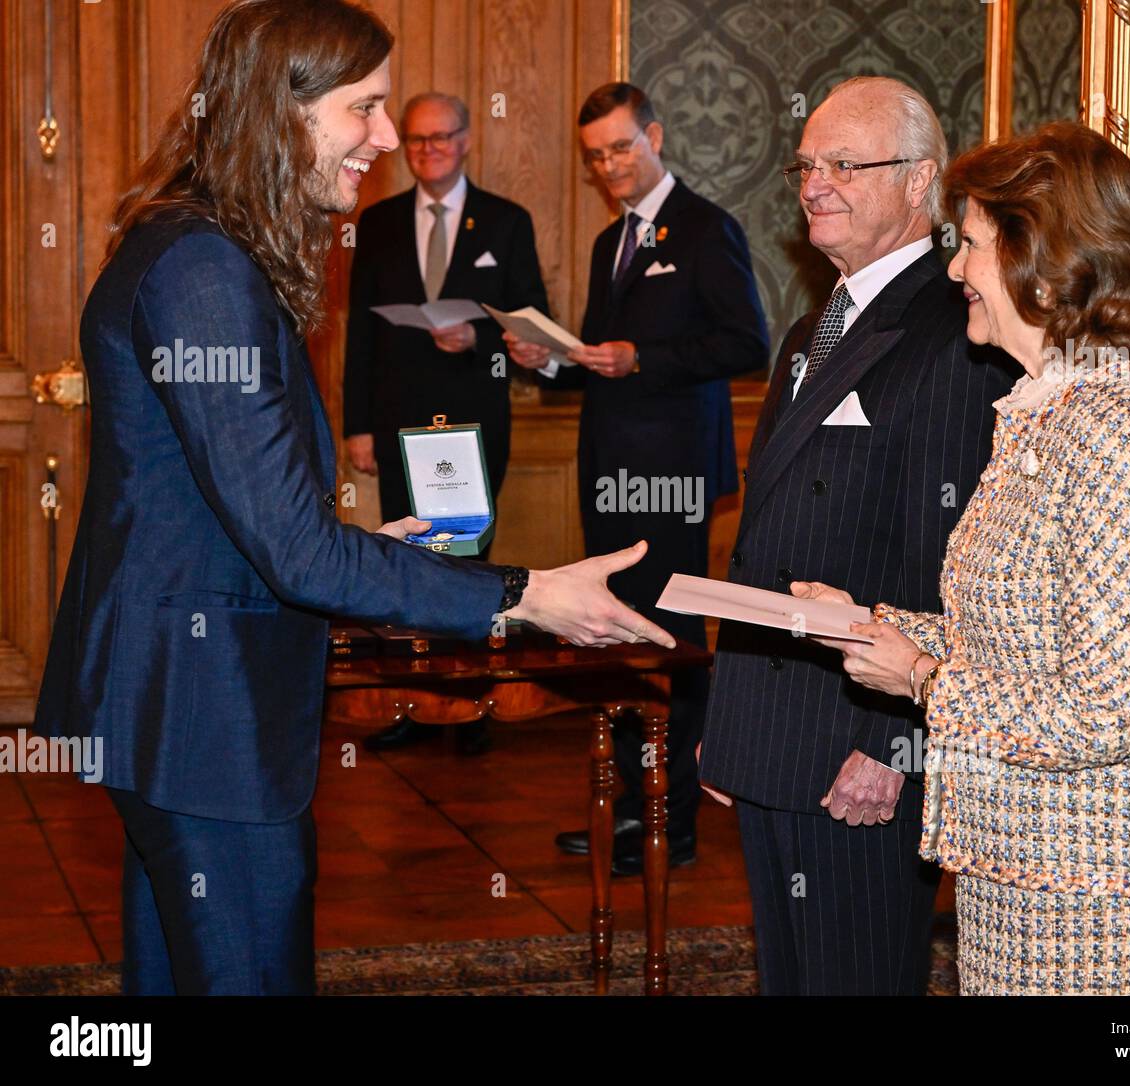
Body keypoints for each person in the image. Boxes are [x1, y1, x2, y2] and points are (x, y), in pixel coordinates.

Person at [31, 0, 672, 997]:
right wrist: (525, 590)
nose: (384, 140)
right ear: (278, 112)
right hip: (205, 716)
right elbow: (290, 552)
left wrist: (376, 549)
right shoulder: (205, 270)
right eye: (363, 110)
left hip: (173, 701)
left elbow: (235, 512)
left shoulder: (192, 244)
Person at [811, 121, 1130, 994]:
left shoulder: (1118, 435)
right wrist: (872, 624)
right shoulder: (1040, 411)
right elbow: (1011, 639)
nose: (955, 270)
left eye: (976, 246)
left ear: (1040, 258)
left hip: (1091, 885)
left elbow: (1101, 711)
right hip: (1012, 865)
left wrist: (919, 677)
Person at [696, 77, 1015, 995]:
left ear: (920, 182)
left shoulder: (959, 333)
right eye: (807, 165)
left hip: (858, 743)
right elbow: (764, 540)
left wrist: (889, 744)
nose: (814, 184)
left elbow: (948, 560)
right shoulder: (808, 331)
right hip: (776, 728)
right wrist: (735, 722)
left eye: (844, 164)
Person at [508, 82, 769, 876]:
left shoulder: (705, 227)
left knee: (671, 642)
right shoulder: (608, 242)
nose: (611, 164)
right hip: (608, 473)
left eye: (622, 146)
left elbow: (746, 344)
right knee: (615, 635)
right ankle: (632, 806)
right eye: (596, 155)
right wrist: (549, 360)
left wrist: (644, 357)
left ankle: (674, 819)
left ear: (654, 135)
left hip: (674, 481)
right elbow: (600, 365)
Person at [344, 91, 549, 756]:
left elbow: (531, 328)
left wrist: (481, 341)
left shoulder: (505, 221)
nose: (428, 151)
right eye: (416, 141)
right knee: (409, 559)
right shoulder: (374, 223)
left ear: (465, 140)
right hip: (398, 420)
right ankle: (413, 702)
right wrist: (358, 427)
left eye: (440, 138)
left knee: (466, 559)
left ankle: (470, 704)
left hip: (473, 419)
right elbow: (359, 337)